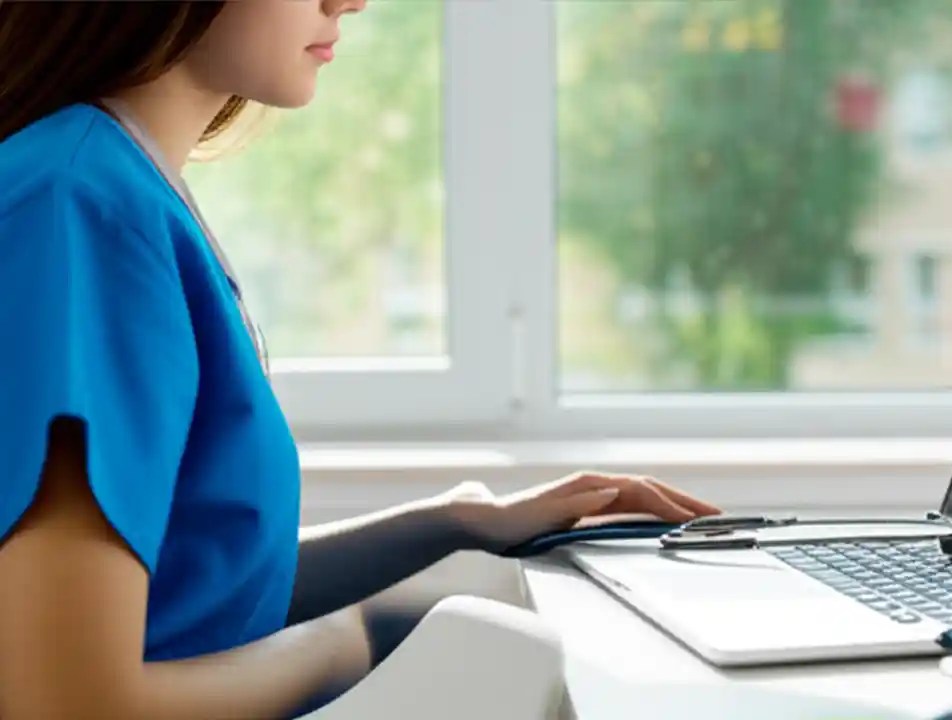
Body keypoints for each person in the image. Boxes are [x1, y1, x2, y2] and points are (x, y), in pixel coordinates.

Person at [0, 3, 721, 718]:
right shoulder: (77, 205)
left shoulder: (118, 183)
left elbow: (205, 589)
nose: (350, 0)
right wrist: (346, 642)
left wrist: (458, 521)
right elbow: (68, 702)